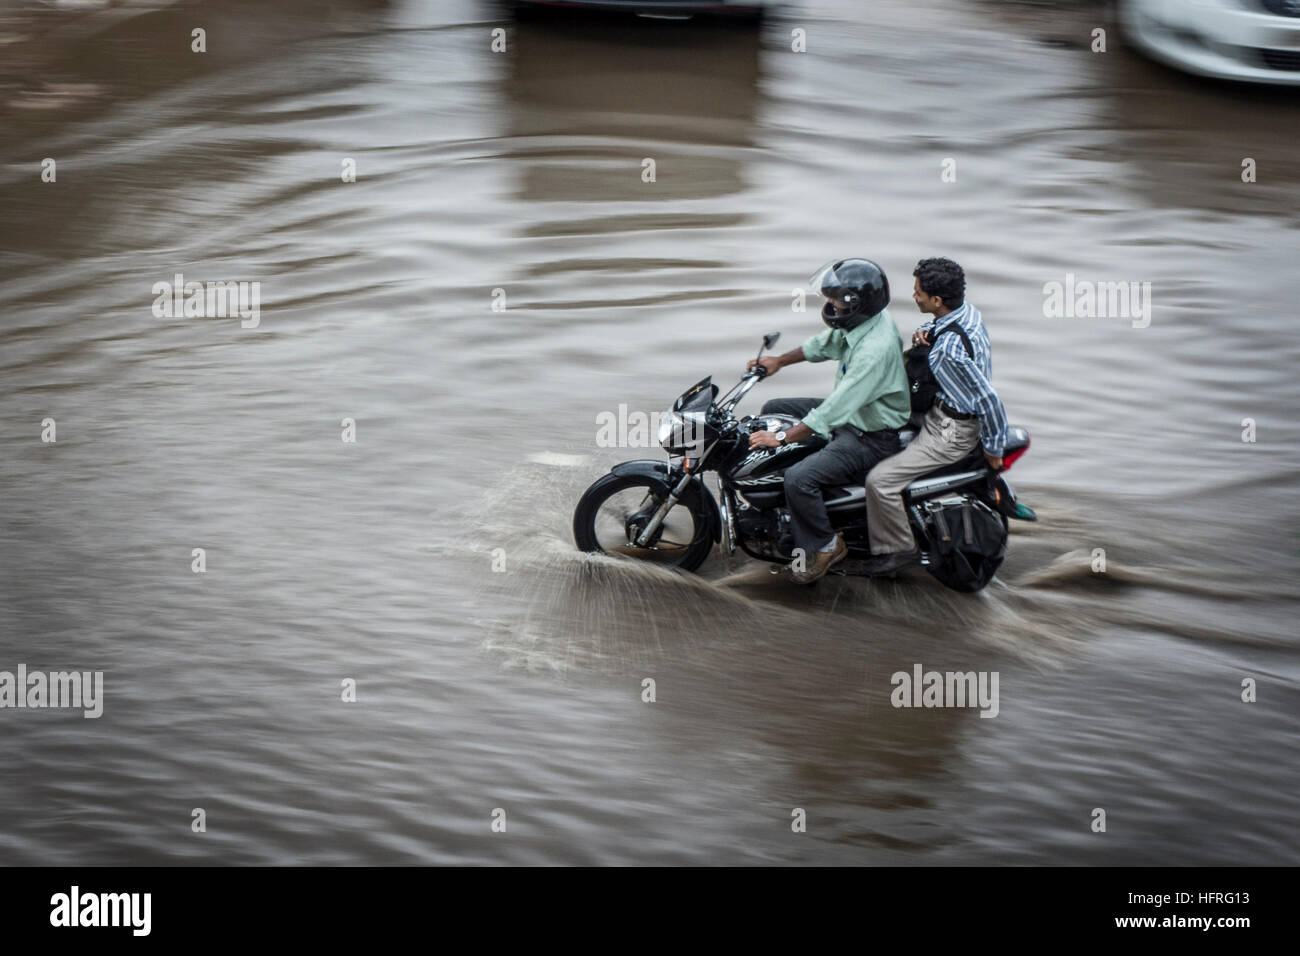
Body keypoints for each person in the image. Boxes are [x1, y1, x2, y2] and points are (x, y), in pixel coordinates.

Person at [746, 258, 911, 583]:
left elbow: (834, 409)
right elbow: (826, 344)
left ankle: (826, 545)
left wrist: (781, 439)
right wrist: (779, 360)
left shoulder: (873, 352)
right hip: (856, 415)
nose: (830, 304)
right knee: (774, 406)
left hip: (870, 435)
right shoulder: (867, 322)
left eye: (835, 299)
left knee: (798, 478)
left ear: (855, 304)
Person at [862, 257, 1009, 575]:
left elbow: (989, 400)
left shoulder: (946, 353)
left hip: (949, 430)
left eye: (918, 293)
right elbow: (941, 329)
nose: (913, 297)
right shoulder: (967, 314)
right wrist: (924, 333)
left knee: (880, 482)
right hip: (943, 411)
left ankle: (899, 550)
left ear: (937, 300)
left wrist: (995, 449)